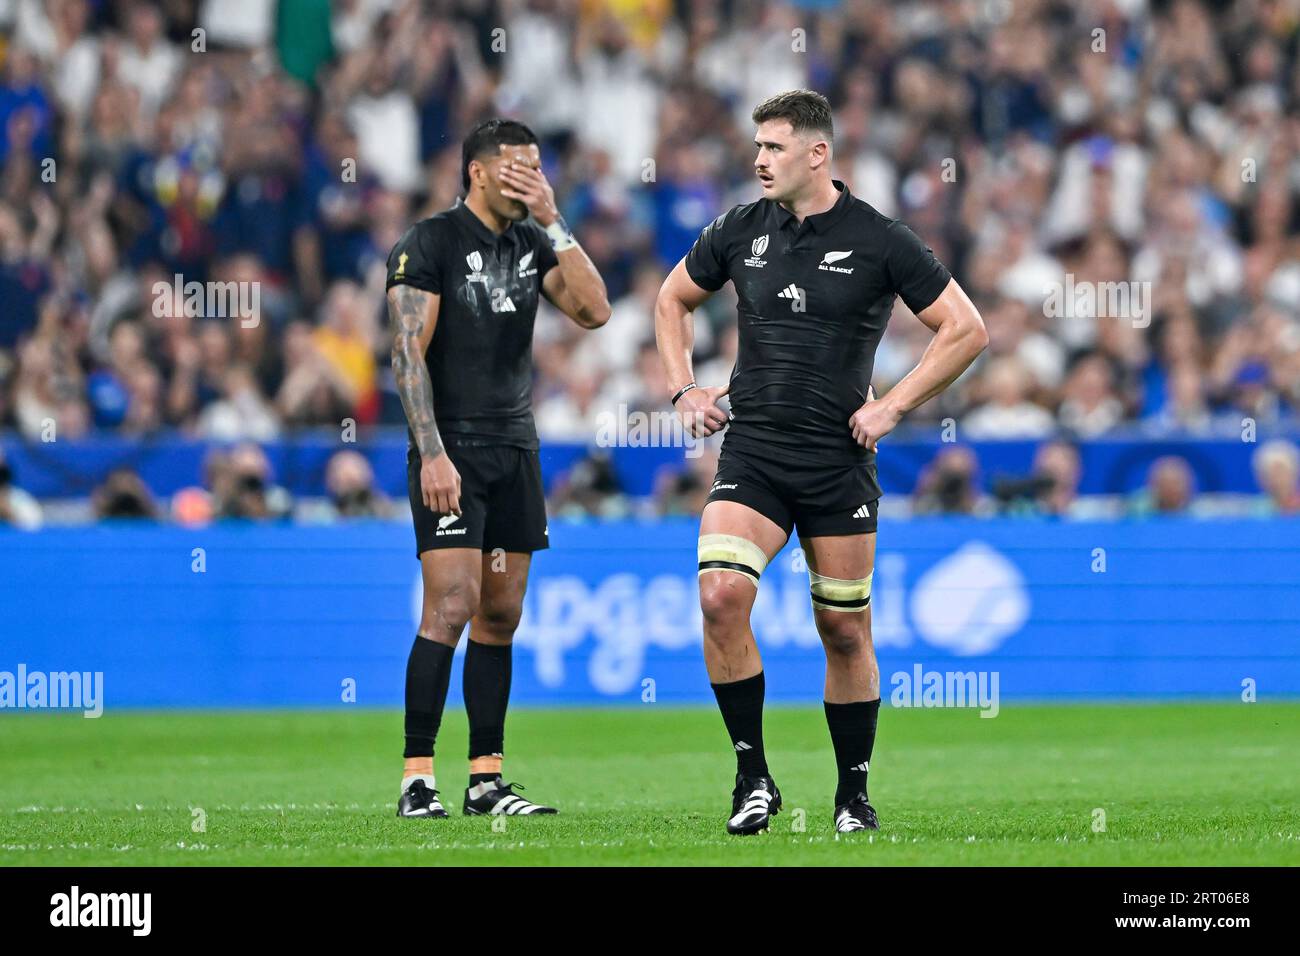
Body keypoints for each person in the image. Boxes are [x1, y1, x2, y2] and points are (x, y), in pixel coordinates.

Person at [654, 90, 987, 835]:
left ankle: (853, 795)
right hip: (756, 453)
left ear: (818, 153)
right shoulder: (738, 229)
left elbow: (965, 329)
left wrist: (892, 406)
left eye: (773, 147)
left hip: (839, 462)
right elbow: (670, 300)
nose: (759, 160)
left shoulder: (881, 238)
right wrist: (682, 388)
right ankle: (753, 779)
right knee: (718, 597)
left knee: (843, 629)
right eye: (757, 146)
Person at [386, 118, 610, 819]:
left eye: (539, 168)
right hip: (451, 448)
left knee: (501, 614)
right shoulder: (429, 244)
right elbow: (405, 355)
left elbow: (595, 312)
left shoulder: (534, 240)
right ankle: (417, 779)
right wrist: (432, 453)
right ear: (479, 171)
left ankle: (485, 780)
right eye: (520, 168)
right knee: (450, 604)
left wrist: (556, 219)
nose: (533, 180)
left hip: (516, 448)